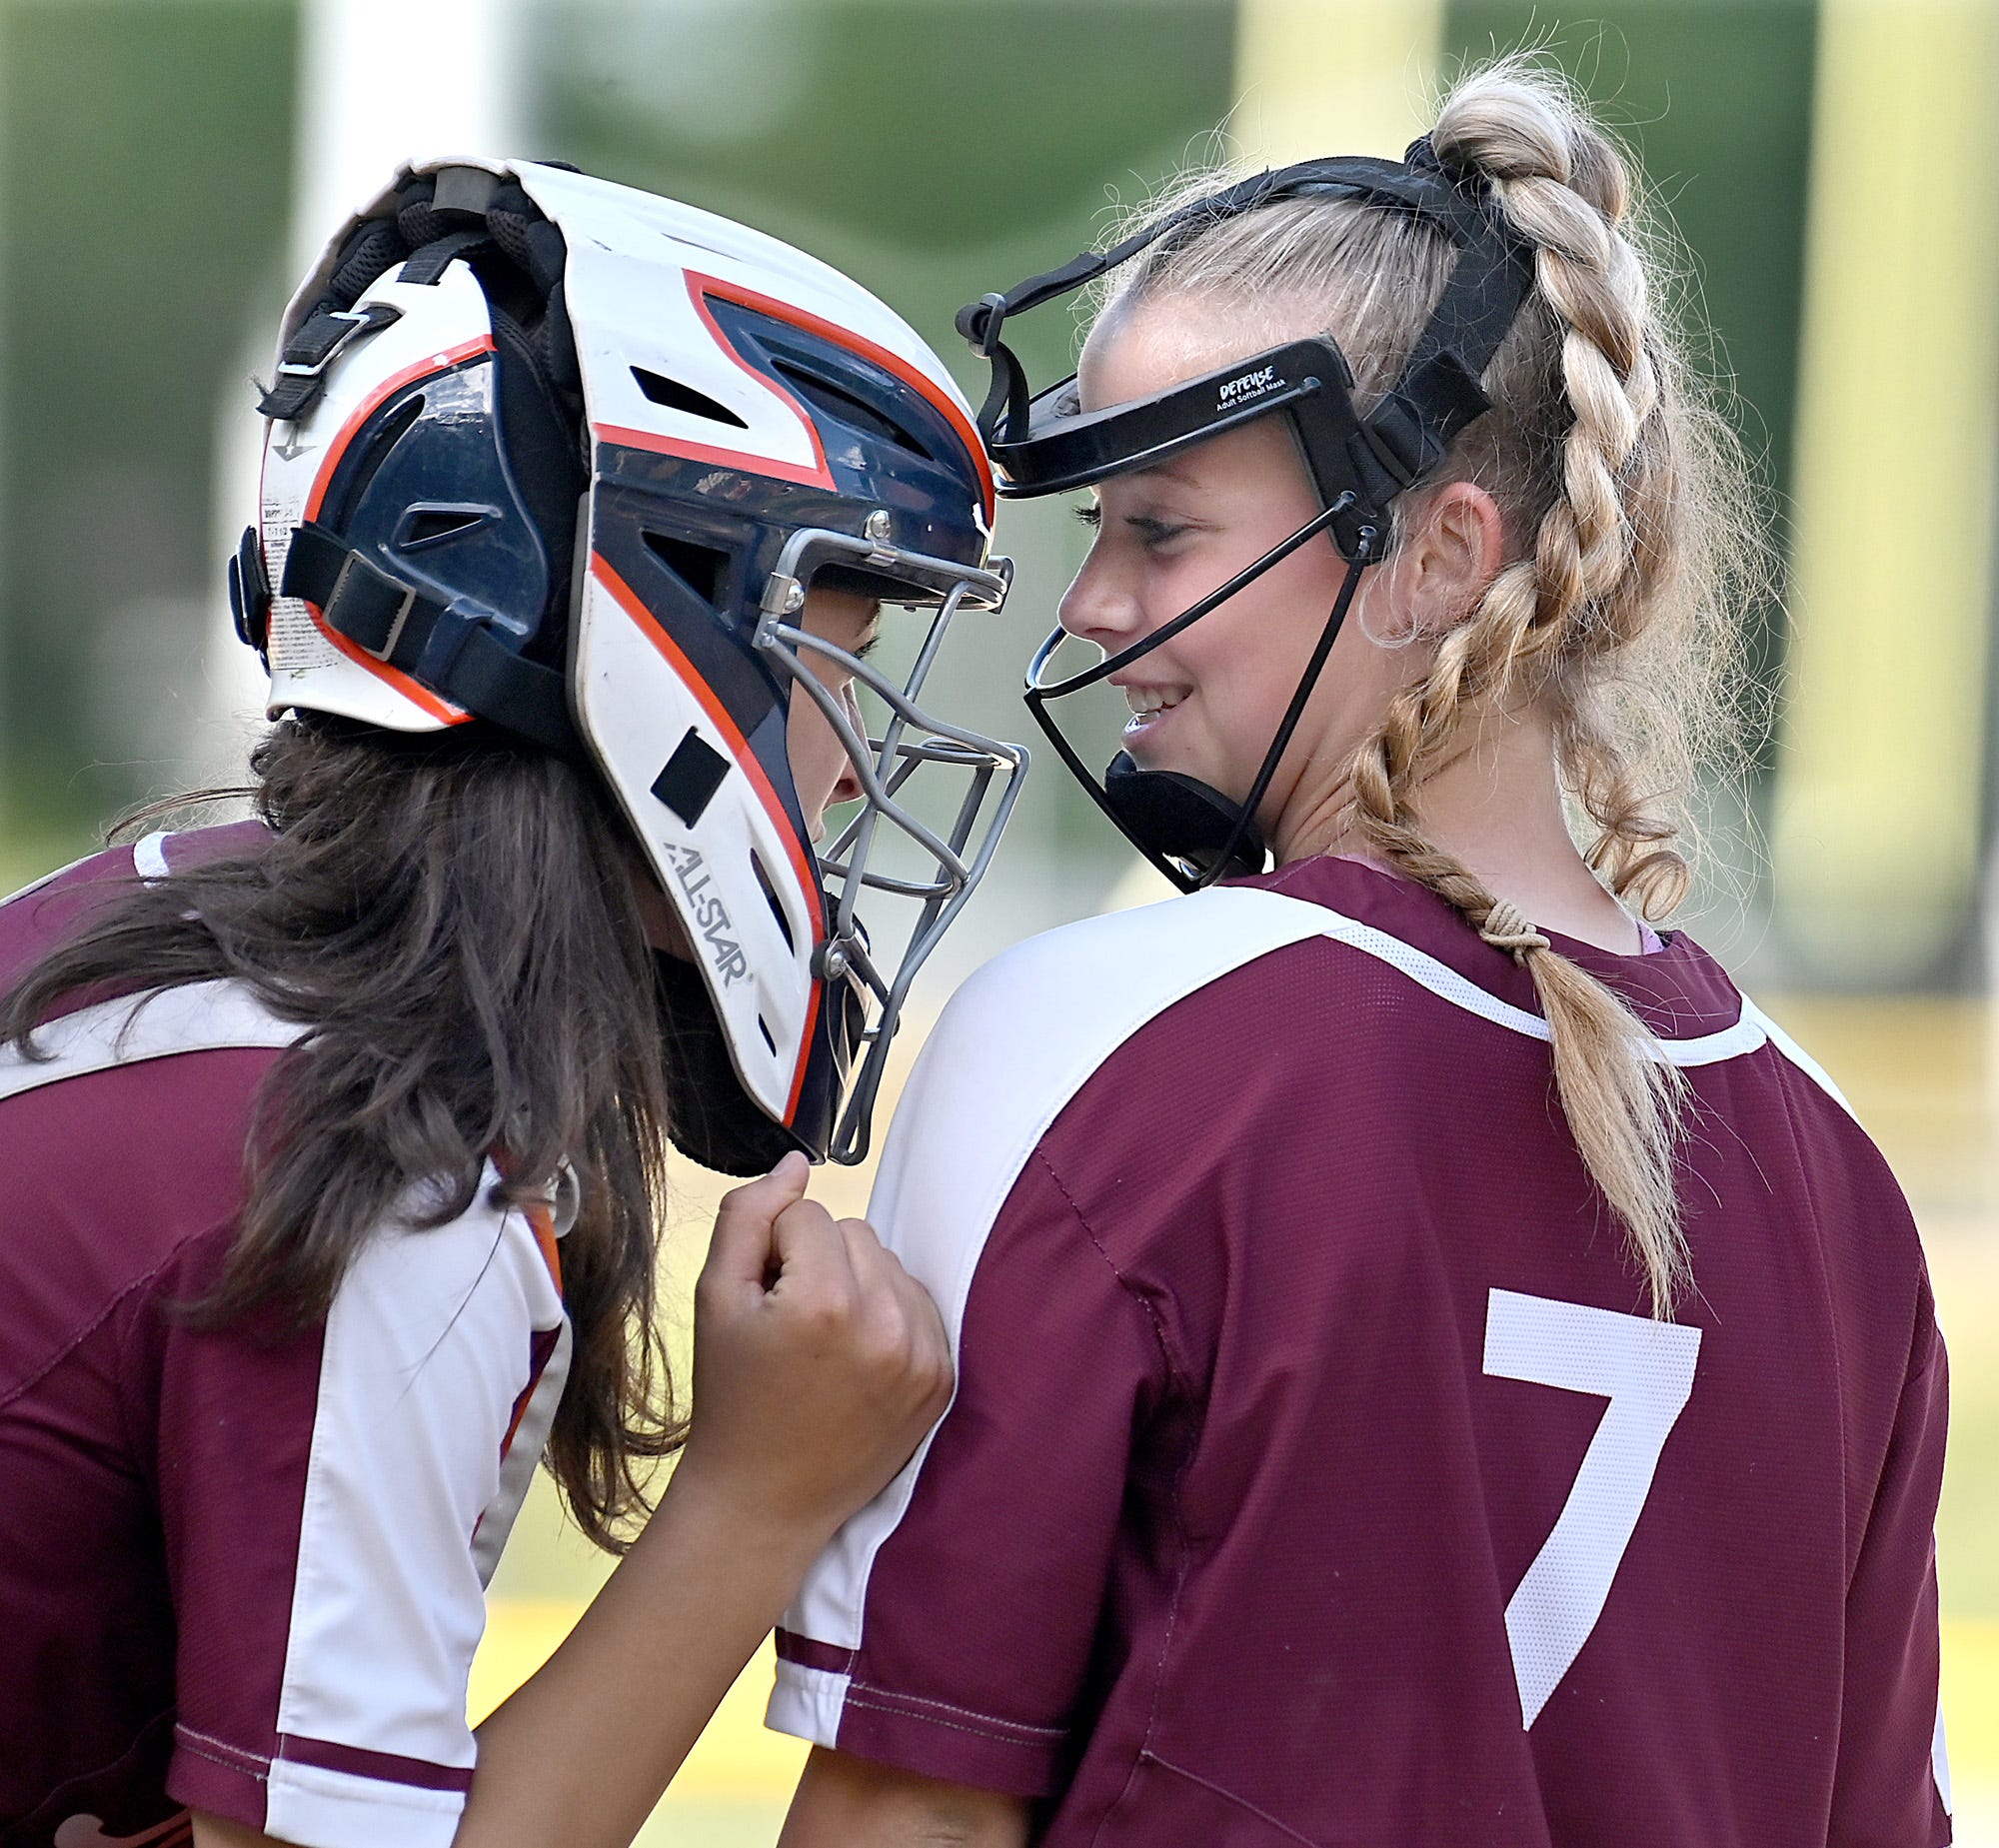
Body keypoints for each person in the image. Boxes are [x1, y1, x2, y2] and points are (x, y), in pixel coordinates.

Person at [769, 63, 1954, 1848]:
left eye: (1161, 529)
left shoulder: (1107, 1047)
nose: (1092, 605)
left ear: (1438, 556)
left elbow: (905, 1815)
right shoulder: (1833, 1161)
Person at [0, 158, 1026, 1848]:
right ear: (656, 624)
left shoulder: (170, 933)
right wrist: (756, 1504)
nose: (854, 771)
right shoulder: (378, 1171)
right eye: (835, 660)